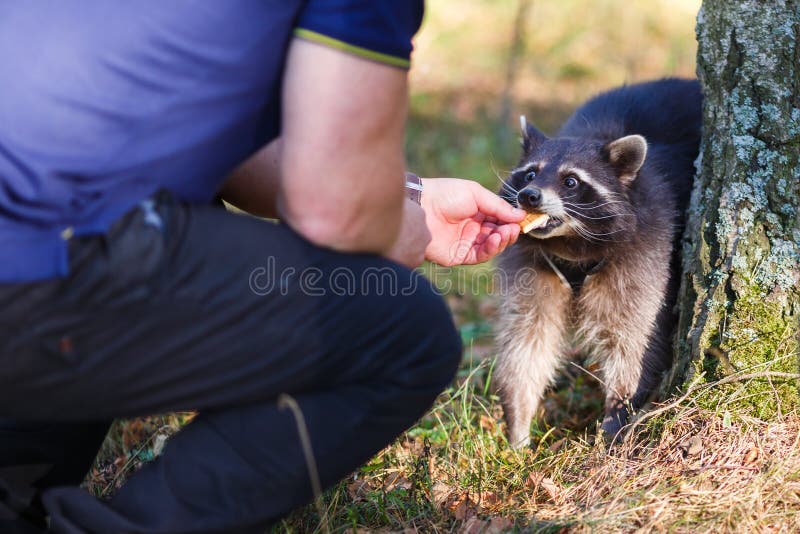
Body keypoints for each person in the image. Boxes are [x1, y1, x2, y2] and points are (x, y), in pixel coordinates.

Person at [0, 2, 524, 532]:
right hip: (34, 258)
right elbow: (335, 209)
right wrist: (398, 224)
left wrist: (409, 193)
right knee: (403, 336)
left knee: (177, 205)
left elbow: (228, 155)